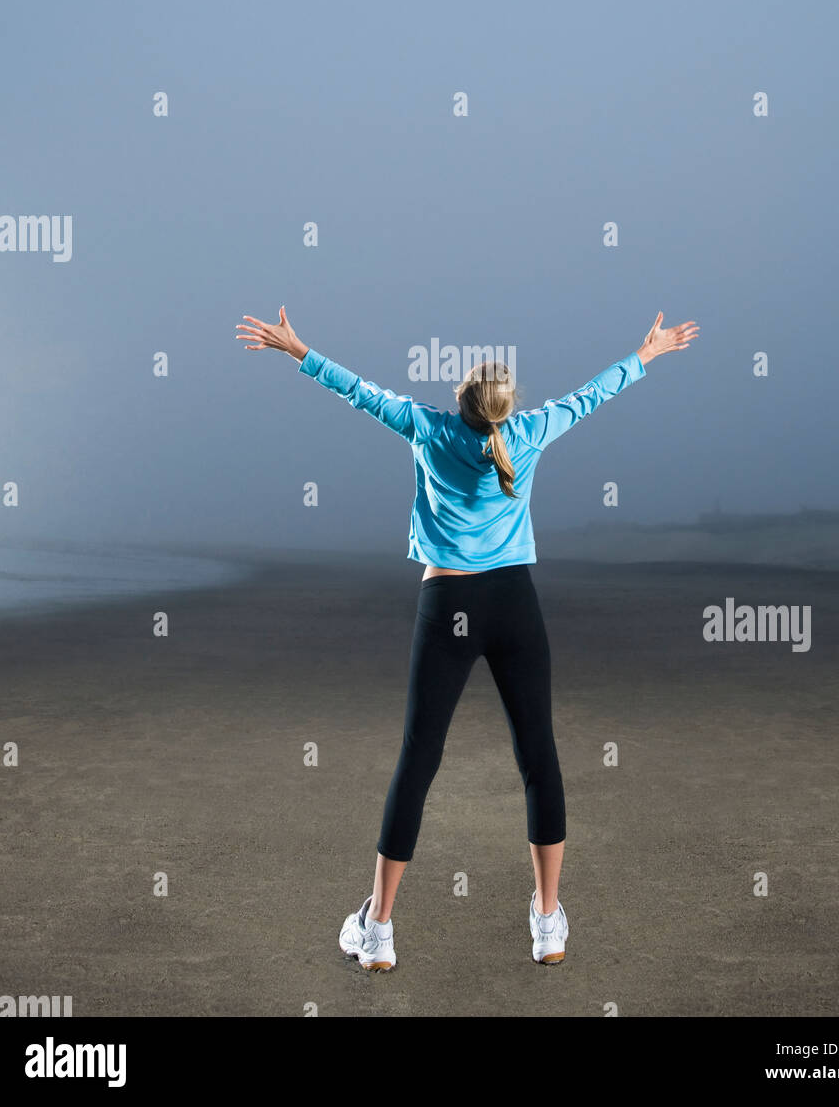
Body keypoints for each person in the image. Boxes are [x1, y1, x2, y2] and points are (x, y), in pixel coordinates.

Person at [236, 308, 699, 969]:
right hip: (513, 602)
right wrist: (645, 353)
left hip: (447, 600)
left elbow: (359, 390)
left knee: (417, 761)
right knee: (537, 756)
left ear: (459, 403)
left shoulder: (426, 428)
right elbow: (590, 396)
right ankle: (546, 922)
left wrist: (298, 350)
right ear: (507, 409)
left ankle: (379, 930)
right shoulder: (531, 431)